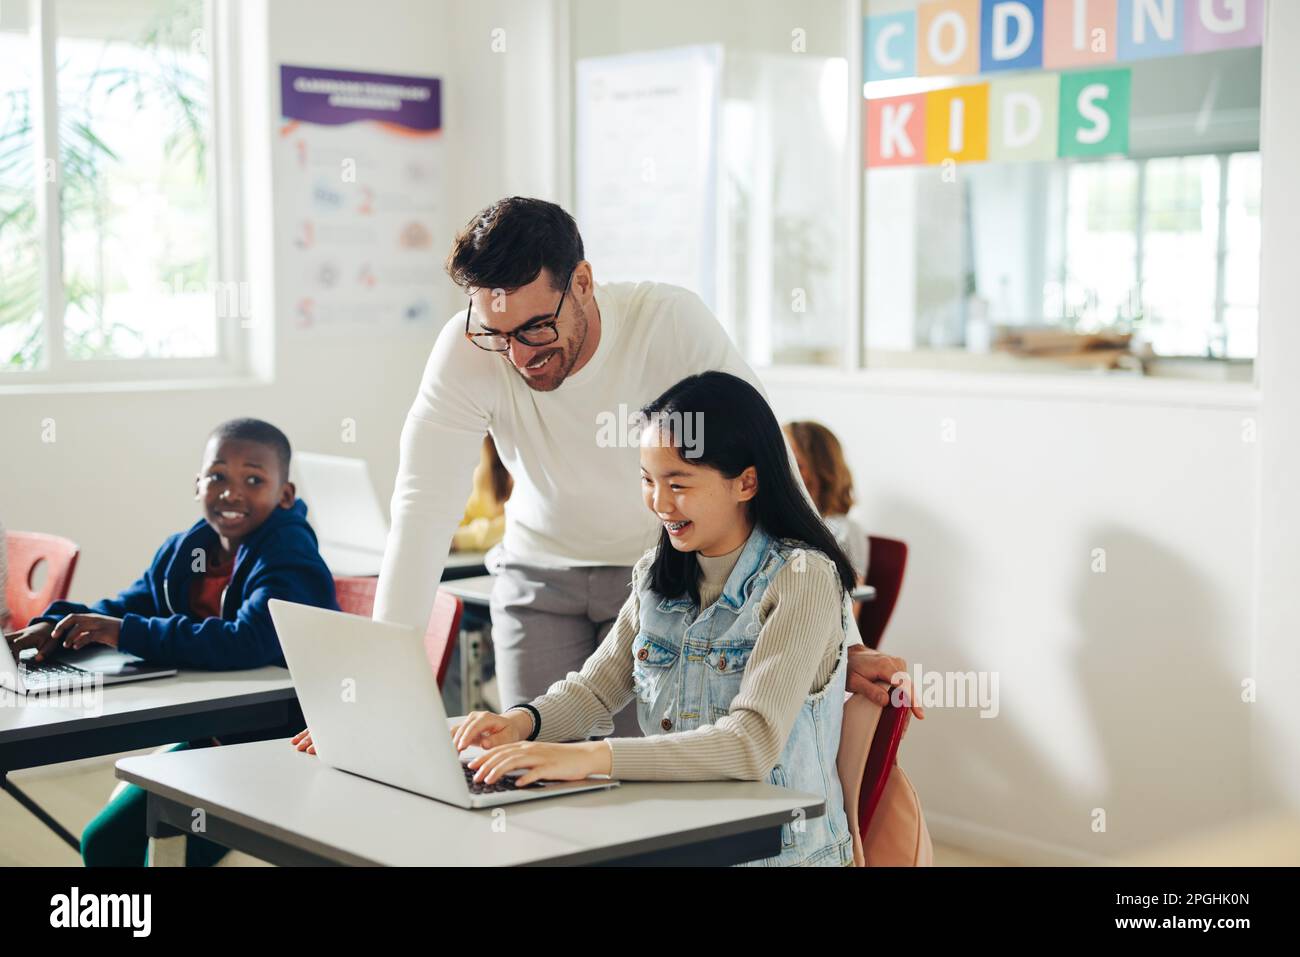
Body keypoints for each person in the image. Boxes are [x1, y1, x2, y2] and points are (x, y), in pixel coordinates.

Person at [373, 197, 914, 736]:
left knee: (637, 783)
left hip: (657, 581)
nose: (518, 356)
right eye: (498, 333)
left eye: (536, 327)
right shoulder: (467, 351)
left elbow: (769, 463)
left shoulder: (668, 323)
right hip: (536, 576)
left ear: (582, 282)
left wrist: (846, 643)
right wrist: (382, 688)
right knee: (528, 771)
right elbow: (422, 508)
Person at [446, 373, 863, 865]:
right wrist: (520, 723)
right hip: (679, 838)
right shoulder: (655, 575)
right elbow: (595, 692)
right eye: (648, 480)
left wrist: (590, 758)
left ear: (746, 482)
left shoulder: (802, 578)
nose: (660, 504)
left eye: (678, 484)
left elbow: (751, 744)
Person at [4, 418, 338, 866]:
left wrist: (125, 632)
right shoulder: (187, 551)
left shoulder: (289, 553)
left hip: (285, 745)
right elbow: (128, 605)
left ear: (285, 495)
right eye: (217, 476)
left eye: (254, 479)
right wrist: (60, 623)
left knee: (161, 856)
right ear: (197, 484)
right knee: (103, 842)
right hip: (220, 734)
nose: (231, 491)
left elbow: (250, 640)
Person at [784, 420, 870, 583]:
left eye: (797, 465)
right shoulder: (775, 524)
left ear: (823, 471)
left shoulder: (845, 532)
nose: (785, 474)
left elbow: (851, 606)